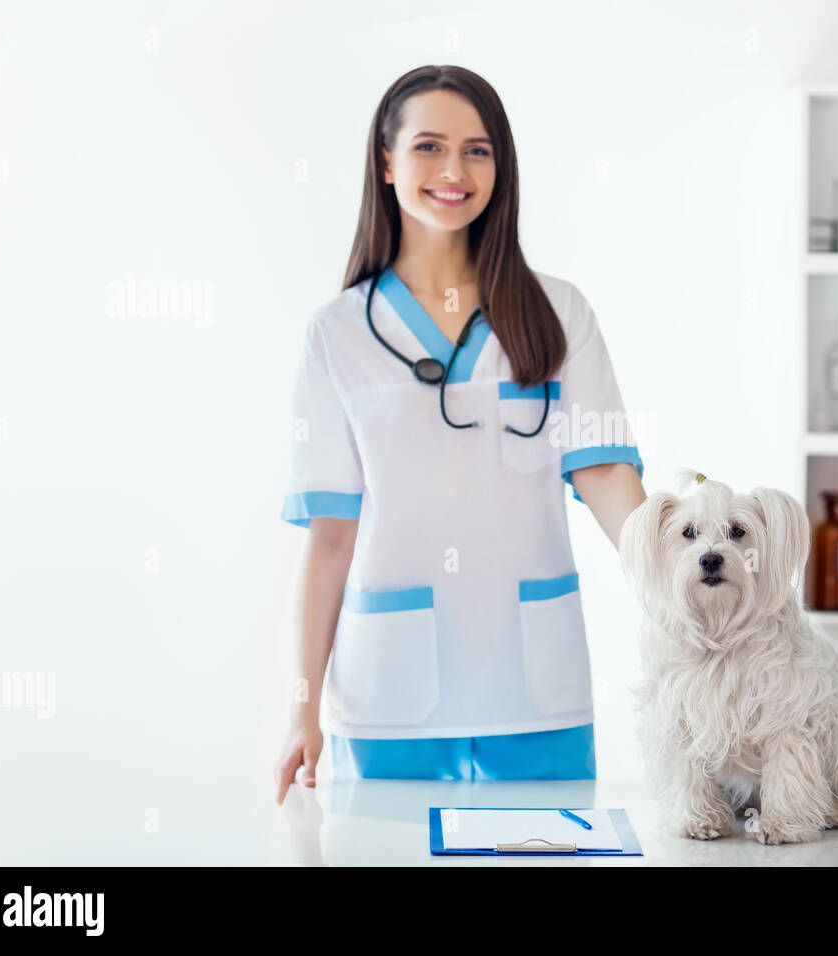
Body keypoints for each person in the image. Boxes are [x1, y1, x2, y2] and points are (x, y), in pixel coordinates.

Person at [273, 65, 646, 803]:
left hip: (535, 696)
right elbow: (330, 538)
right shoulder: (338, 334)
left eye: (478, 150)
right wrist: (302, 708)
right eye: (429, 148)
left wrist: (693, 575)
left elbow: (605, 475)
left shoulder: (558, 313)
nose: (454, 171)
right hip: (389, 702)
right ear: (386, 161)